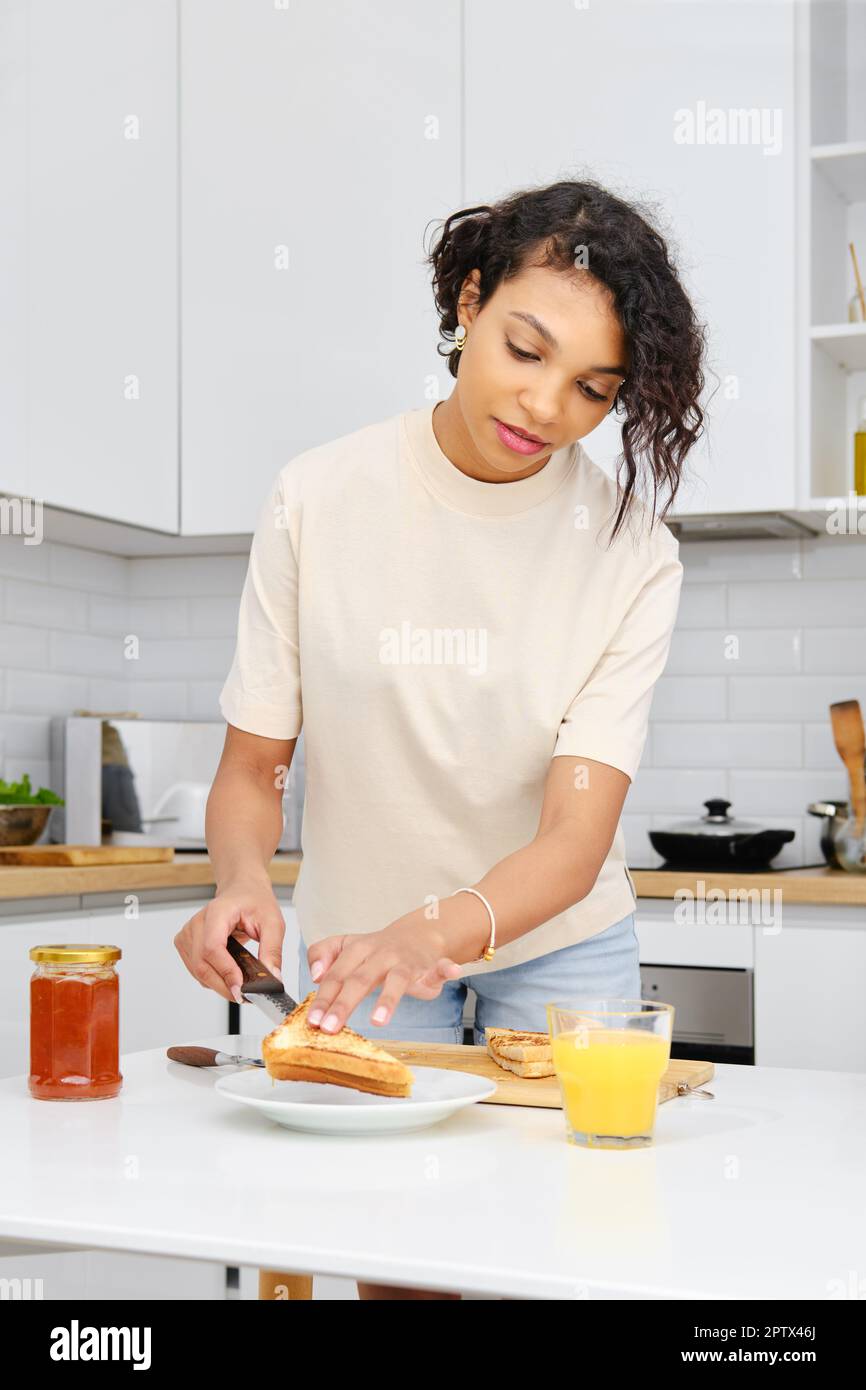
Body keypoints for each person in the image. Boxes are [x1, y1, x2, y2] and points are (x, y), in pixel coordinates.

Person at [175, 178, 705, 1300]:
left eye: (591, 390)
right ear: (468, 299)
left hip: (559, 945)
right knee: (398, 1258)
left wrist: (437, 930)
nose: (545, 406)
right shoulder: (316, 497)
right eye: (523, 348)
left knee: (569, 1247)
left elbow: (573, 840)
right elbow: (252, 767)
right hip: (363, 951)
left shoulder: (629, 553)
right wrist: (236, 883)